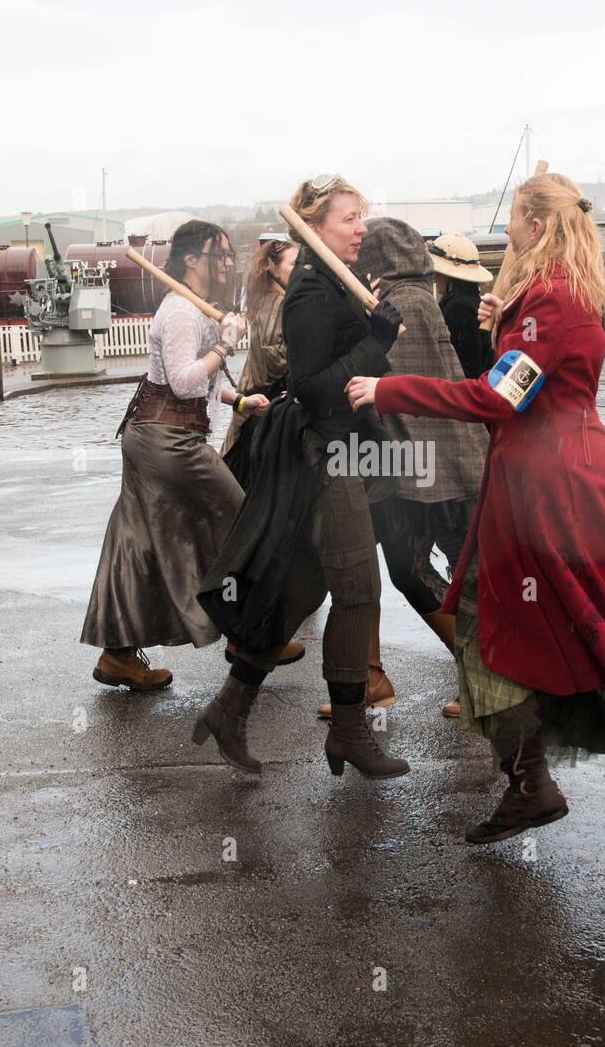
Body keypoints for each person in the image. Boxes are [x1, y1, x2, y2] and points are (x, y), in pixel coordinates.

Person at [347, 172, 605, 854]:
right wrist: (503, 328)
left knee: (562, 627)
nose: (509, 229)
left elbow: (499, 400)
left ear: (538, 224)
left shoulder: (548, 301)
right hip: (552, 486)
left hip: (546, 494)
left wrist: (388, 388)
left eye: (517, 218)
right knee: (569, 627)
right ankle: (591, 778)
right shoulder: (557, 296)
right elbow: (532, 379)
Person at [195, 175, 410, 779]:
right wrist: (376, 341)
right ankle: (348, 730)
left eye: (361, 217)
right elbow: (316, 391)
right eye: (348, 219)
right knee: (360, 590)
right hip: (324, 458)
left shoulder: (336, 285)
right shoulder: (311, 292)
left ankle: (229, 708)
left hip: (343, 453)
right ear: (315, 228)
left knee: (300, 591)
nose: (361, 227)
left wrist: (371, 331)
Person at [81, 220, 270, 690]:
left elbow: (191, 384)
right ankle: (247, 634)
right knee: (239, 519)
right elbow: (186, 382)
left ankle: (119, 655)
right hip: (170, 442)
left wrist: (238, 401)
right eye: (218, 255)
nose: (228, 264)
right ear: (190, 260)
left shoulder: (193, 310)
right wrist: (226, 342)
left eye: (230, 255)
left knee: (136, 542)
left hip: (151, 433)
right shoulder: (183, 313)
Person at [316, 217, 487, 721]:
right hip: (430, 461)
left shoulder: (402, 303)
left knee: (427, 570)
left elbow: (390, 389)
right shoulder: (415, 294)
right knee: (395, 566)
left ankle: (482, 677)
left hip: (430, 464)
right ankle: (373, 677)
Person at [221, 238, 298, 489]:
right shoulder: (279, 303)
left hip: (252, 407)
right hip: (264, 408)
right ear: (272, 268)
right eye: (293, 264)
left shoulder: (264, 300)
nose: (298, 270)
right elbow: (273, 359)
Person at [434, 233, 494, 380]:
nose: (434, 277)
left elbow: (466, 366)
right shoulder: (471, 301)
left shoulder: (460, 307)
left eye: (438, 272)